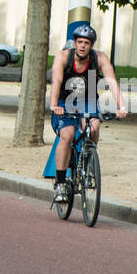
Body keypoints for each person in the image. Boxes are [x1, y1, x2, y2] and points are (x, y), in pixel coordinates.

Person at [49, 23, 127, 204]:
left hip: (88, 101)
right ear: (74, 43)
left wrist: (121, 106)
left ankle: (88, 159)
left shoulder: (99, 58)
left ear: (92, 45)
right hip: (63, 102)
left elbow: (111, 81)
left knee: (93, 127)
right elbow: (56, 80)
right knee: (67, 135)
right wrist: (54, 105)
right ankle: (61, 184)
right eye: (80, 42)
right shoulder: (62, 57)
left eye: (87, 43)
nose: (83, 46)